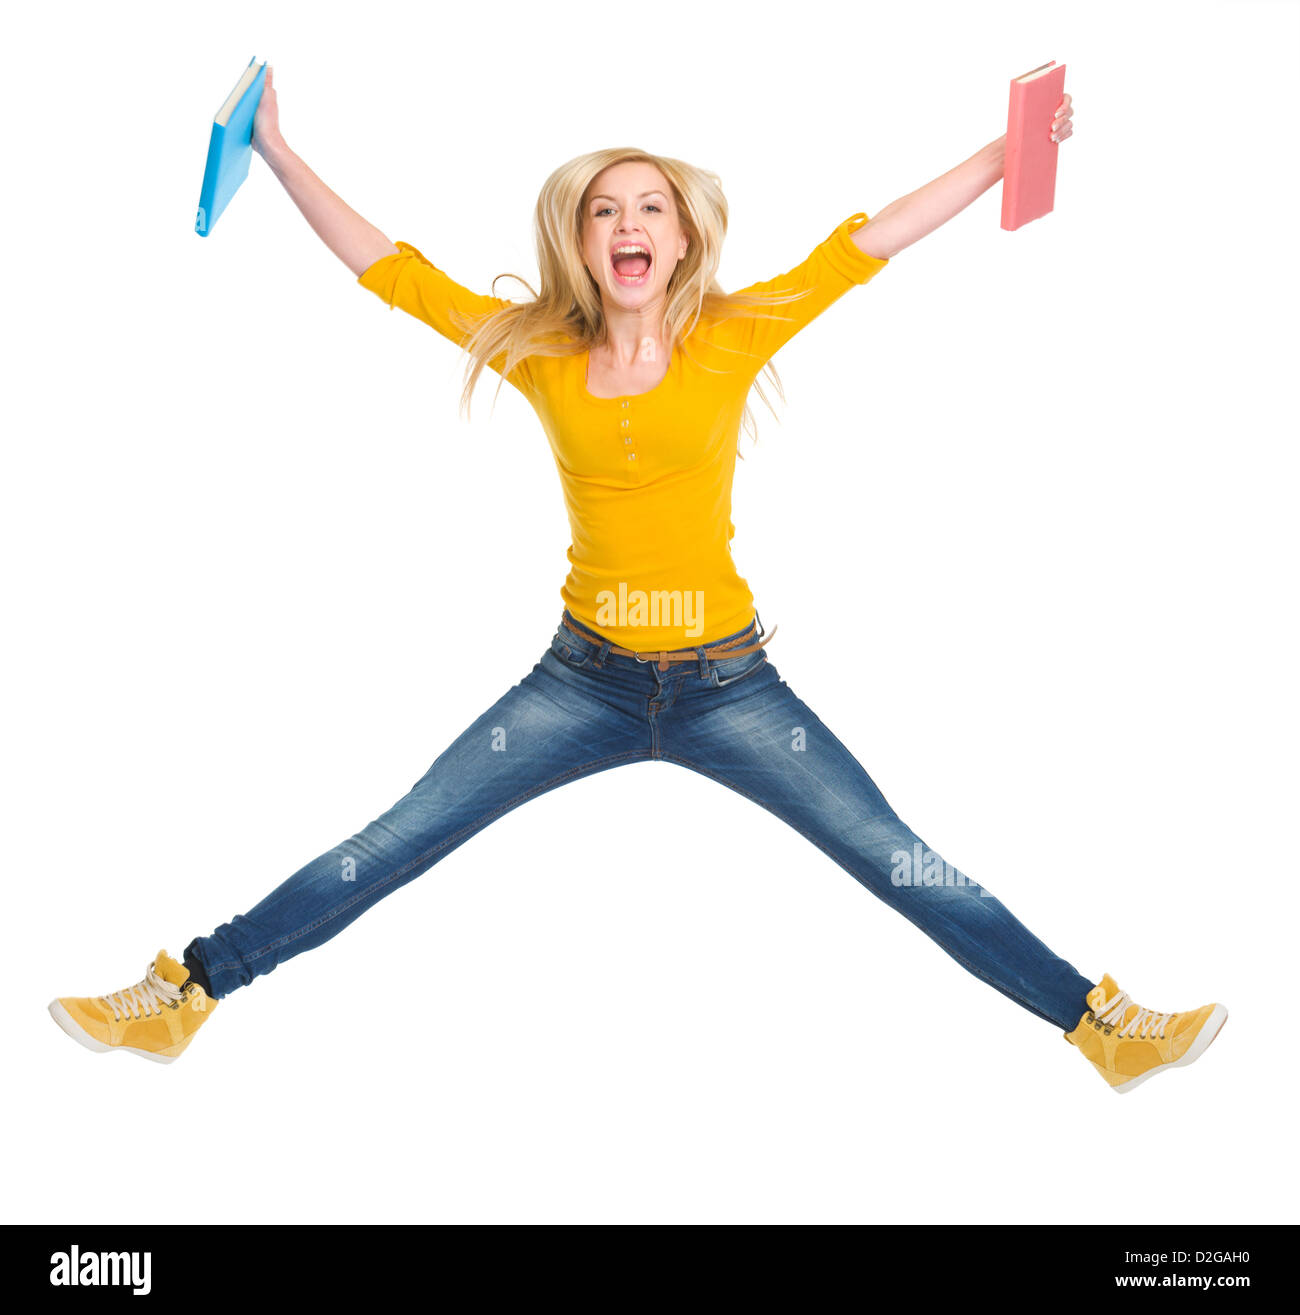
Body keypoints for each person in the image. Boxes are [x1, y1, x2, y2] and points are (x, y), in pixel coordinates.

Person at [48, 69, 1226, 1092]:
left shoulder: (733, 331)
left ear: (679, 237)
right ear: (579, 240)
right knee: (394, 840)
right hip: (580, 685)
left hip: (731, 689)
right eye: (605, 208)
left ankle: (1099, 1026)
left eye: (649, 205)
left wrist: (1005, 148)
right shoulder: (538, 349)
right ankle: (185, 991)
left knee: (899, 858)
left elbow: (867, 242)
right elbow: (392, 272)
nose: (628, 221)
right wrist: (281, 151)